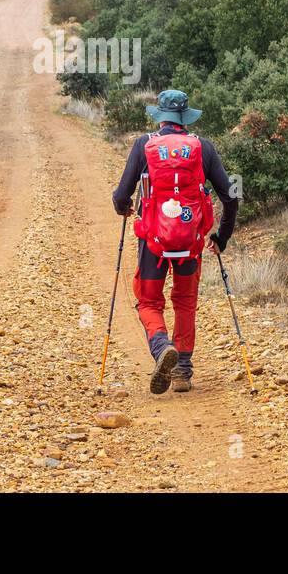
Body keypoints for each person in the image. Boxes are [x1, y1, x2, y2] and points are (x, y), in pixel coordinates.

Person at [112, 89, 238, 394]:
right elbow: (231, 196)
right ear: (185, 119)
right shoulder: (203, 148)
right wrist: (221, 236)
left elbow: (120, 195)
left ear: (161, 118)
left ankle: (161, 345)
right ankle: (182, 370)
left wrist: (124, 207)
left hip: (153, 241)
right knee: (185, 302)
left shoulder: (144, 144)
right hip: (190, 240)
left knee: (149, 301)